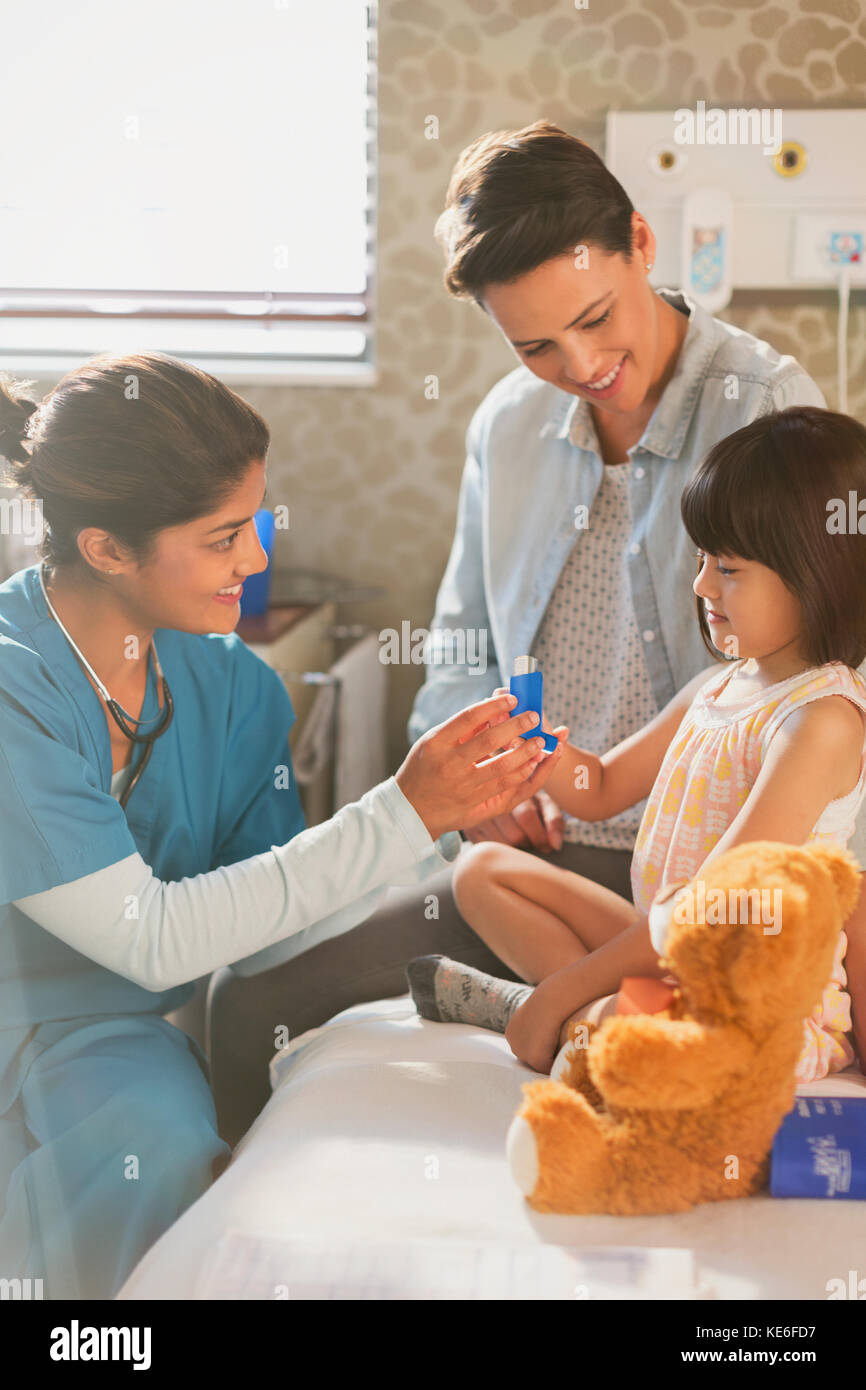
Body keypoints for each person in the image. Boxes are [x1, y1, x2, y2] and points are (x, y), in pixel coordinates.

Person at [258, 120, 866, 1048]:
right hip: (548, 844)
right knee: (247, 1006)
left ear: (642, 245)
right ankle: (597, 1014)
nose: (581, 368)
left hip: (707, 866)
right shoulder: (508, 431)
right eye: (536, 345)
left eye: (594, 319)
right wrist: (485, 784)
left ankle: (590, 1017)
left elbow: (820, 668)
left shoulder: (763, 410)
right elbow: (462, 646)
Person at [0, 353, 565, 1299]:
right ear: (104, 548)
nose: (255, 560)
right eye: (223, 538)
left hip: (101, 1030)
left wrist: (449, 831)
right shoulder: (18, 686)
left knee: (165, 1148)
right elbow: (151, 938)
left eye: (253, 524)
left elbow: (266, 935)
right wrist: (401, 809)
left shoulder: (235, 688)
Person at [406, 407, 866, 1078]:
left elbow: (710, 909)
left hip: (749, 996)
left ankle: (550, 1010)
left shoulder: (820, 723)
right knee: (480, 871)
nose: (702, 585)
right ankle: (566, 1014)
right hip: (665, 950)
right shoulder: (716, 688)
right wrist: (538, 750)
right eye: (703, 560)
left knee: (625, 1028)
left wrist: (568, 985)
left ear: (821, 573)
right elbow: (602, 790)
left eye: (729, 570)